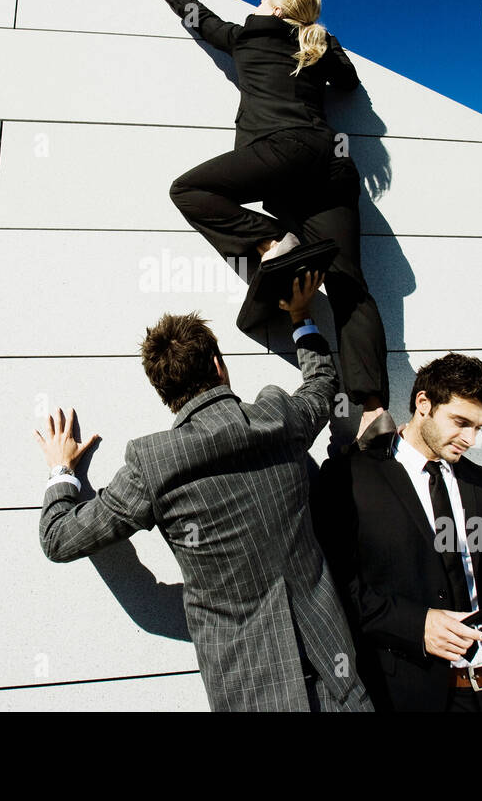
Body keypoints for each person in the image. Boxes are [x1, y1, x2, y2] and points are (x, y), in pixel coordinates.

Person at [37, 272, 371, 712]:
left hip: (251, 692)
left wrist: (62, 470)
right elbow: (320, 385)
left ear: (164, 393)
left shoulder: (152, 464)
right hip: (338, 673)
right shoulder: (277, 417)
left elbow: (59, 539)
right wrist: (302, 316)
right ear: (218, 365)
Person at [150, 0, 393, 448]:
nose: (257, 5)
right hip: (331, 162)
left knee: (188, 190)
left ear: (278, 8)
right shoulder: (319, 47)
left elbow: (206, 24)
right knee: (349, 287)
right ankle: (374, 411)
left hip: (282, 152)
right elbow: (347, 82)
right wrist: (323, 41)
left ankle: (271, 241)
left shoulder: (248, 37)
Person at [312, 352, 482, 711]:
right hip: (418, 697)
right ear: (423, 403)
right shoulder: (347, 478)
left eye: (479, 428)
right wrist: (417, 625)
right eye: (460, 422)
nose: (470, 439)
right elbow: (333, 591)